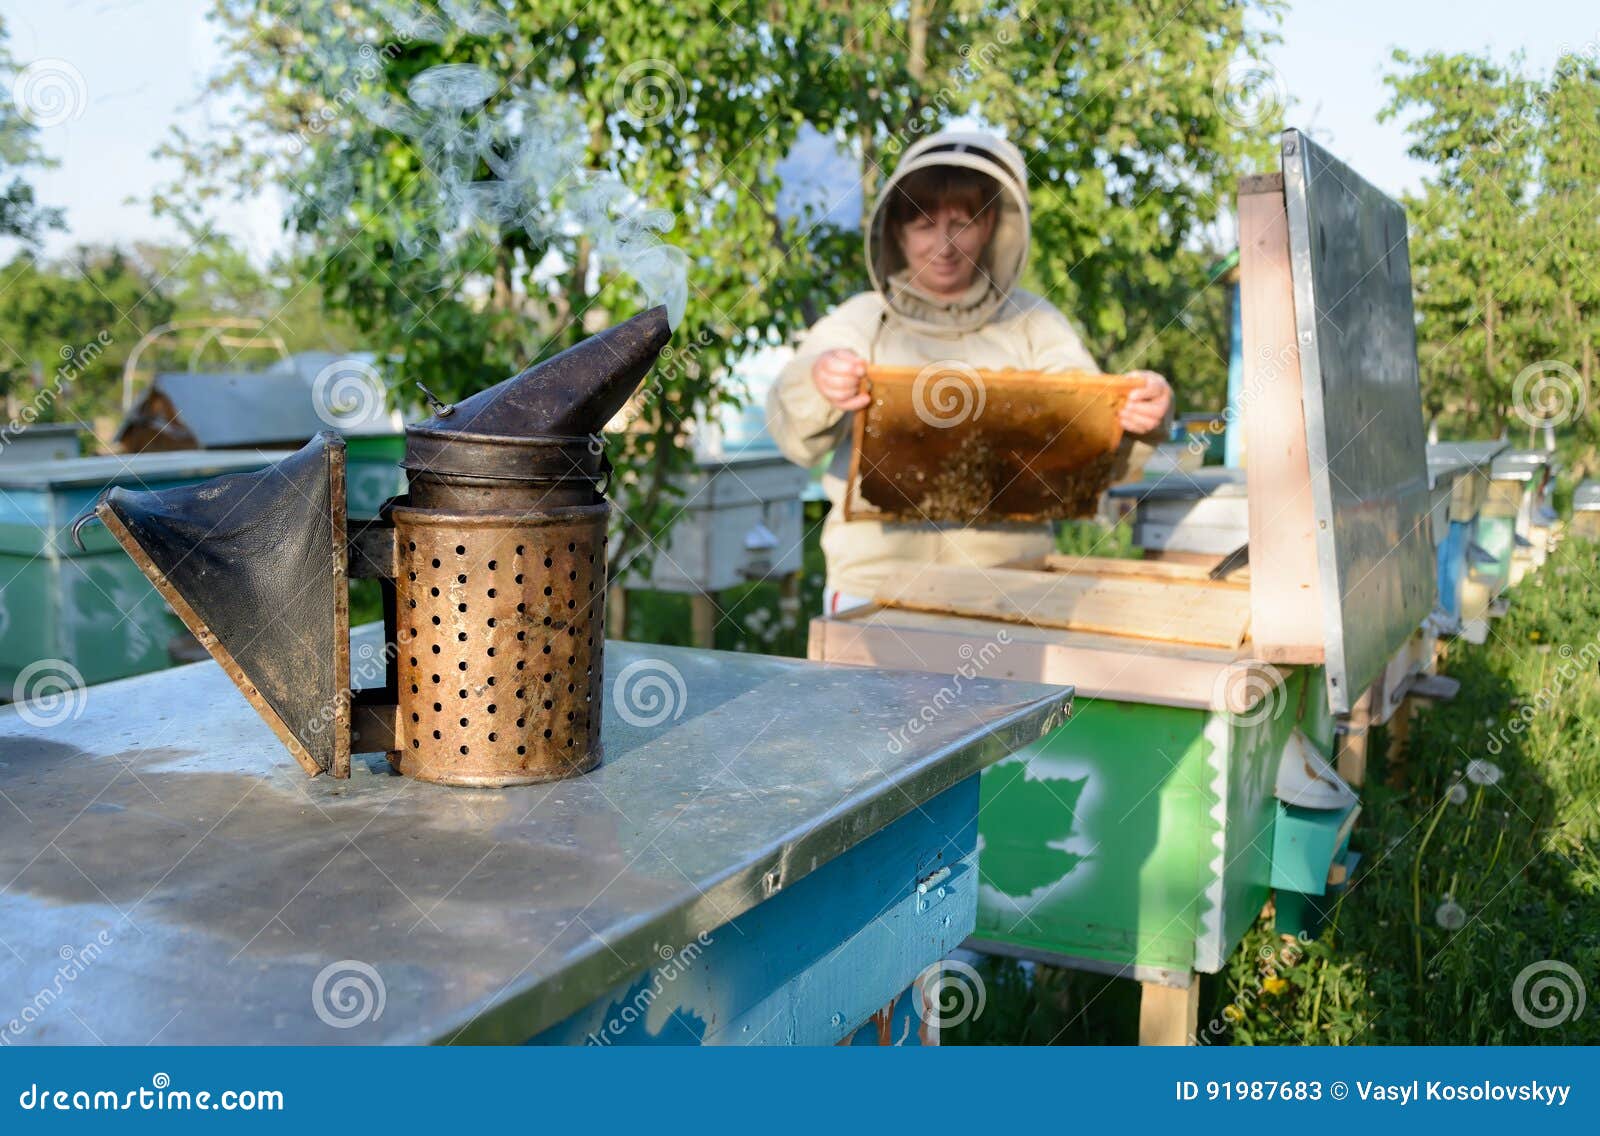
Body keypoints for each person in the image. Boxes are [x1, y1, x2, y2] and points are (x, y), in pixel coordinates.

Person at [766, 130, 1175, 612]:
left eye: (961, 223)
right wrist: (820, 381)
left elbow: (1092, 429)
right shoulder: (862, 319)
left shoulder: (1034, 323)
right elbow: (792, 429)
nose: (944, 245)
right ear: (897, 230)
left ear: (990, 227)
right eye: (923, 223)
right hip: (875, 590)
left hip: (1010, 589)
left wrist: (1142, 413)